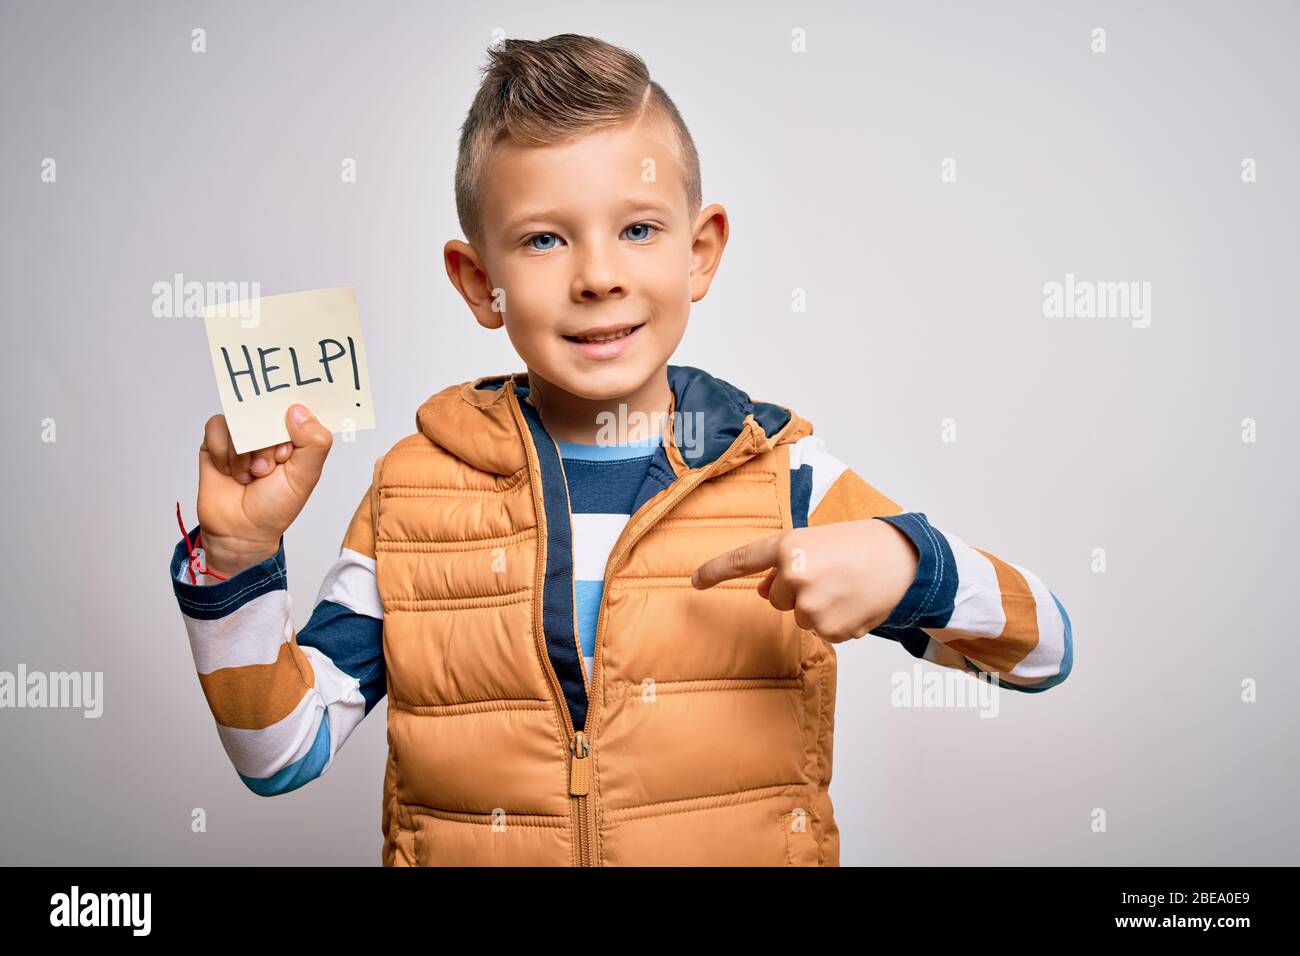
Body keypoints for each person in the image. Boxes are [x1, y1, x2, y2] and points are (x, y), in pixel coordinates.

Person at [169, 33, 1072, 866]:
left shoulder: (781, 475)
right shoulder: (412, 496)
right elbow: (280, 754)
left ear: (700, 252)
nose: (598, 276)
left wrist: (912, 566)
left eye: (638, 229)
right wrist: (238, 558)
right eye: (544, 239)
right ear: (479, 282)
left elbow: (1045, 651)